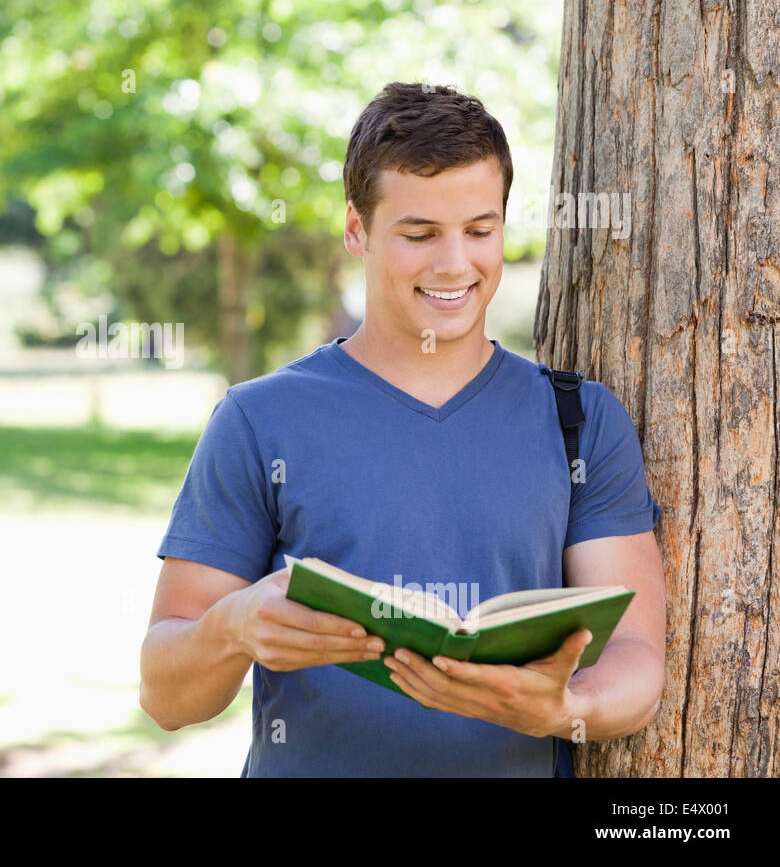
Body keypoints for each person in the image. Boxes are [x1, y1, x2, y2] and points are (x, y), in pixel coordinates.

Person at [138, 82, 666, 776]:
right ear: (356, 230)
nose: (455, 265)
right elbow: (166, 697)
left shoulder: (580, 420)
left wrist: (564, 708)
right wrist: (232, 626)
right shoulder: (260, 419)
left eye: (480, 231)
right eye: (419, 235)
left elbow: (636, 662)